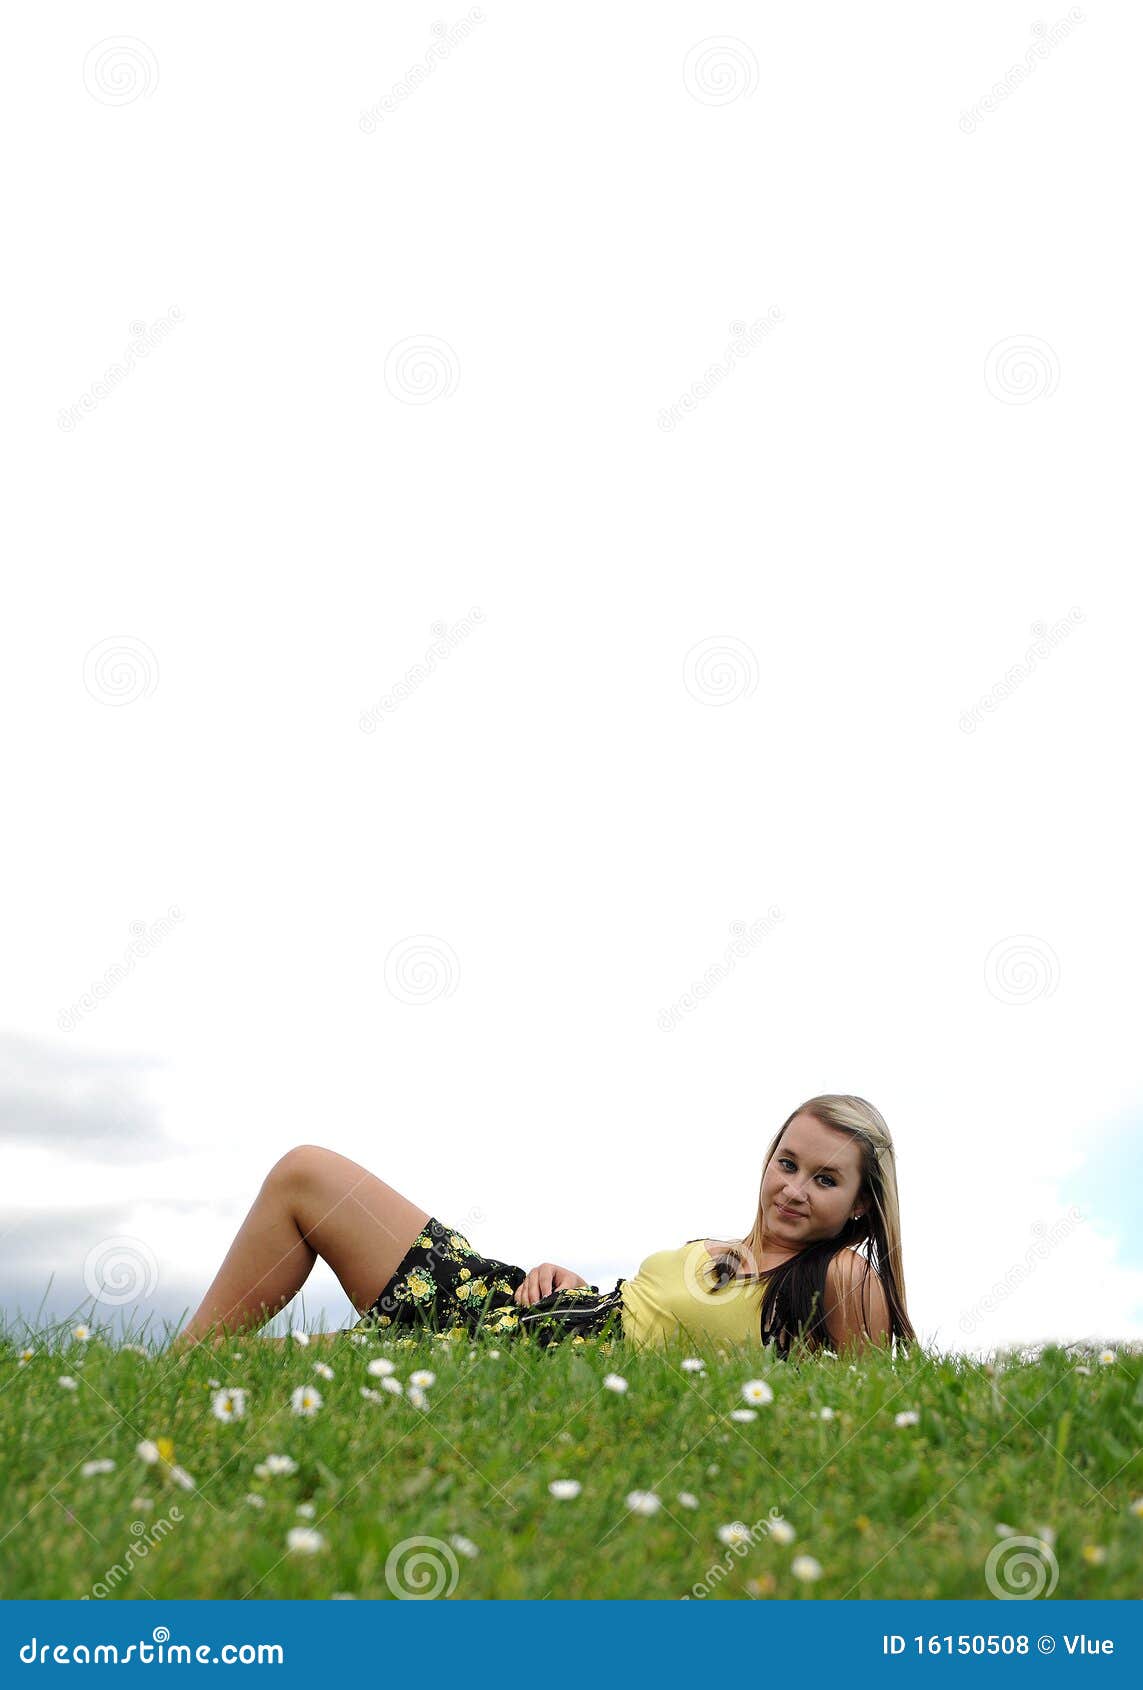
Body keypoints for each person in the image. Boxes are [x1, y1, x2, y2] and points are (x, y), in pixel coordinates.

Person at [170, 1093, 915, 1359]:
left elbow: (858, 1410)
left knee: (265, 1364)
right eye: (787, 1163)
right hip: (521, 1306)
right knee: (307, 1173)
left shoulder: (840, 1275)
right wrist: (566, 1279)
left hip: (521, 1352)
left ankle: (177, 1376)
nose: (793, 1190)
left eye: (825, 1180)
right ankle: (179, 1361)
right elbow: (645, 1310)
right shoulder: (722, 1250)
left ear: (859, 1204)